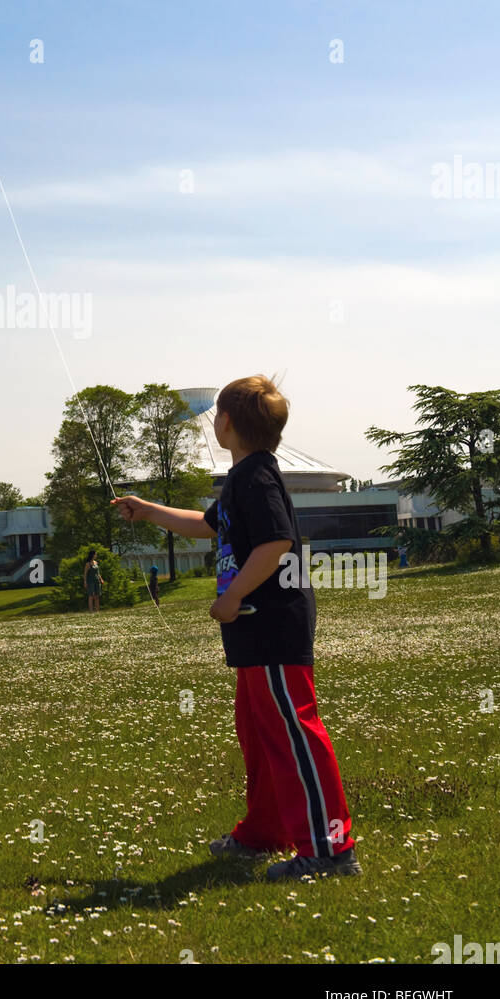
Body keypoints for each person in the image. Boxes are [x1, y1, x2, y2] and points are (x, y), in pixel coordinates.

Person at [112, 374, 361, 881]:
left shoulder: (259, 478)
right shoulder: (241, 481)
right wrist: (148, 509)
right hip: (252, 631)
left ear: (224, 421)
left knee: (294, 733)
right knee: (259, 732)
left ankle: (331, 850)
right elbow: (206, 525)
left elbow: (276, 544)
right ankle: (264, 833)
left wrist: (233, 596)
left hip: (272, 625)